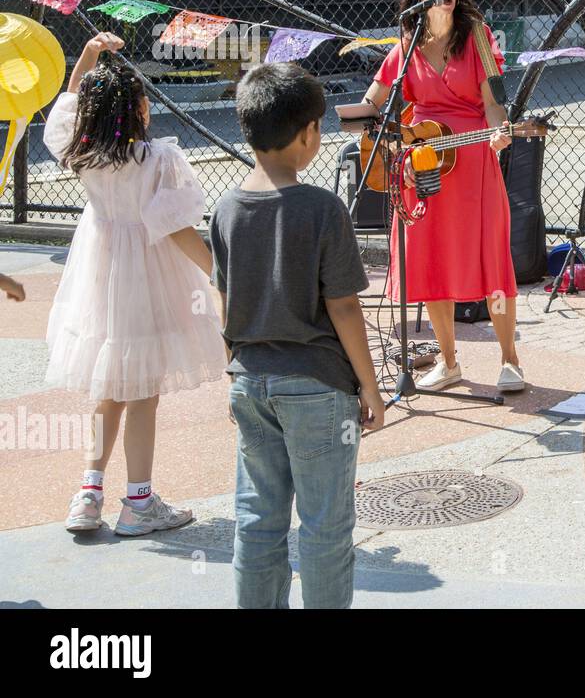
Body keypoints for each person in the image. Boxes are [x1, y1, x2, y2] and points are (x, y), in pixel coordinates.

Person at [211, 62, 385, 608]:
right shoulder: (322, 207)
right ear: (309, 133)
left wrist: (233, 370)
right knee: (325, 526)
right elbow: (344, 306)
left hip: (250, 380)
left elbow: (226, 302)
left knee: (257, 520)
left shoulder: (226, 209)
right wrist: (370, 387)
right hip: (317, 387)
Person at [44, 32, 227, 535]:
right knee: (143, 387)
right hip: (148, 276)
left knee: (110, 383)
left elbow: (66, 109)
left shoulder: (81, 154)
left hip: (99, 273)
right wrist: (218, 273)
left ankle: (89, 492)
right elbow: (176, 228)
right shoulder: (157, 160)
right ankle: (139, 504)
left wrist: (85, 56)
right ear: (140, 108)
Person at [361, 0, 522, 393]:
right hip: (423, 161)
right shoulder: (405, 45)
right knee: (431, 259)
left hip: (474, 162)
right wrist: (390, 146)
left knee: (492, 256)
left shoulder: (480, 36)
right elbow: (372, 105)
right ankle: (448, 362)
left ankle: (510, 360)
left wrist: (500, 131)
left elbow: (494, 102)